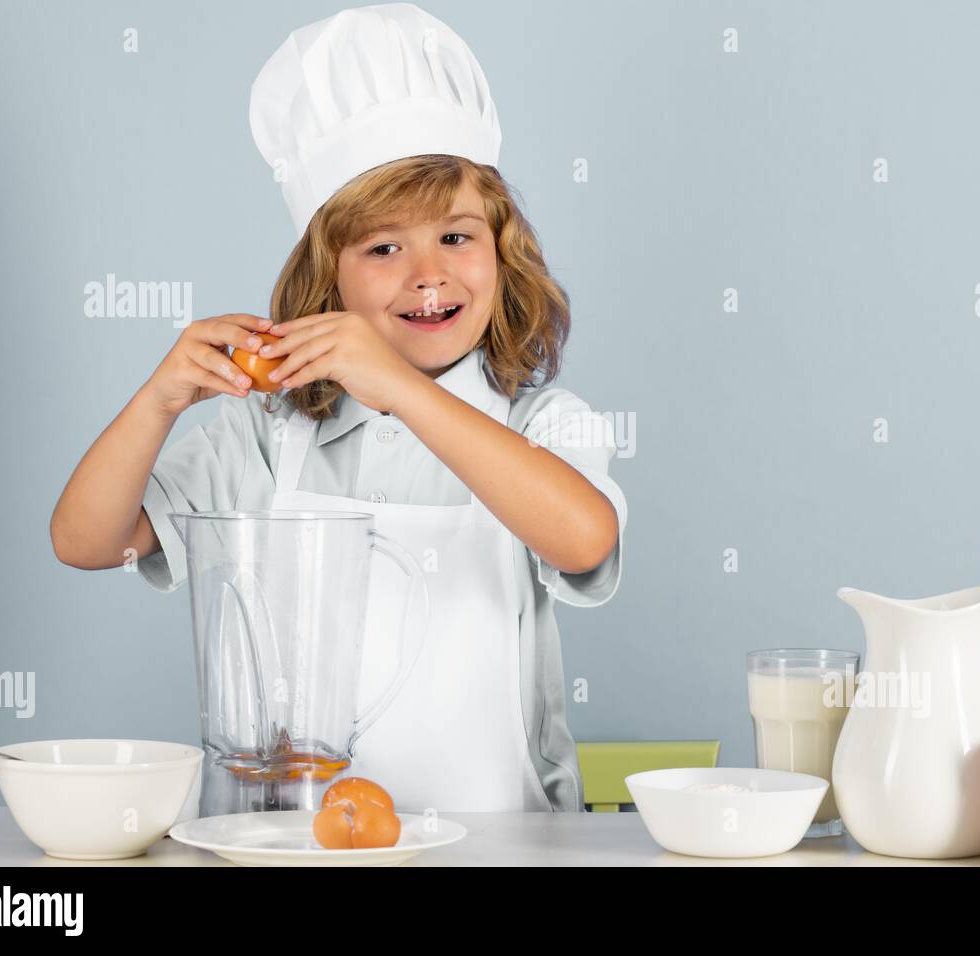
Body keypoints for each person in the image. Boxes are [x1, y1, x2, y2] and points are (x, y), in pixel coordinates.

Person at [50, 3, 626, 813]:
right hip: (297, 843)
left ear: (503, 252)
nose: (428, 274)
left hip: (502, 844)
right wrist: (158, 401)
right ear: (330, 279)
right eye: (384, 247)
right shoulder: (268, 434)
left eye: (456, 237)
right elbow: (86, 543)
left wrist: (402, 388)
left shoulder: (542, 424)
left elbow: (584, 536)